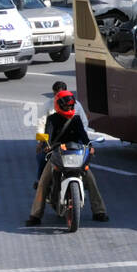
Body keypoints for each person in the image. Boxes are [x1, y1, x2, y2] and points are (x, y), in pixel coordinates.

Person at [28, 90, 108, 225]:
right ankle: (35, 216)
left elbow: (84, 136)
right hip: (57, 154)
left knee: (91, 180)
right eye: (66, 106)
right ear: (59, 105)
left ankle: (99, 211)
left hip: (76, 154)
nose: (69, 108)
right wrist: (46, 145)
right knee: (43, 182)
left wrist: (90, 146)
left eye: (71, 106)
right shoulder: (52, 119)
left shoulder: (76, 119)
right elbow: (47, 134)